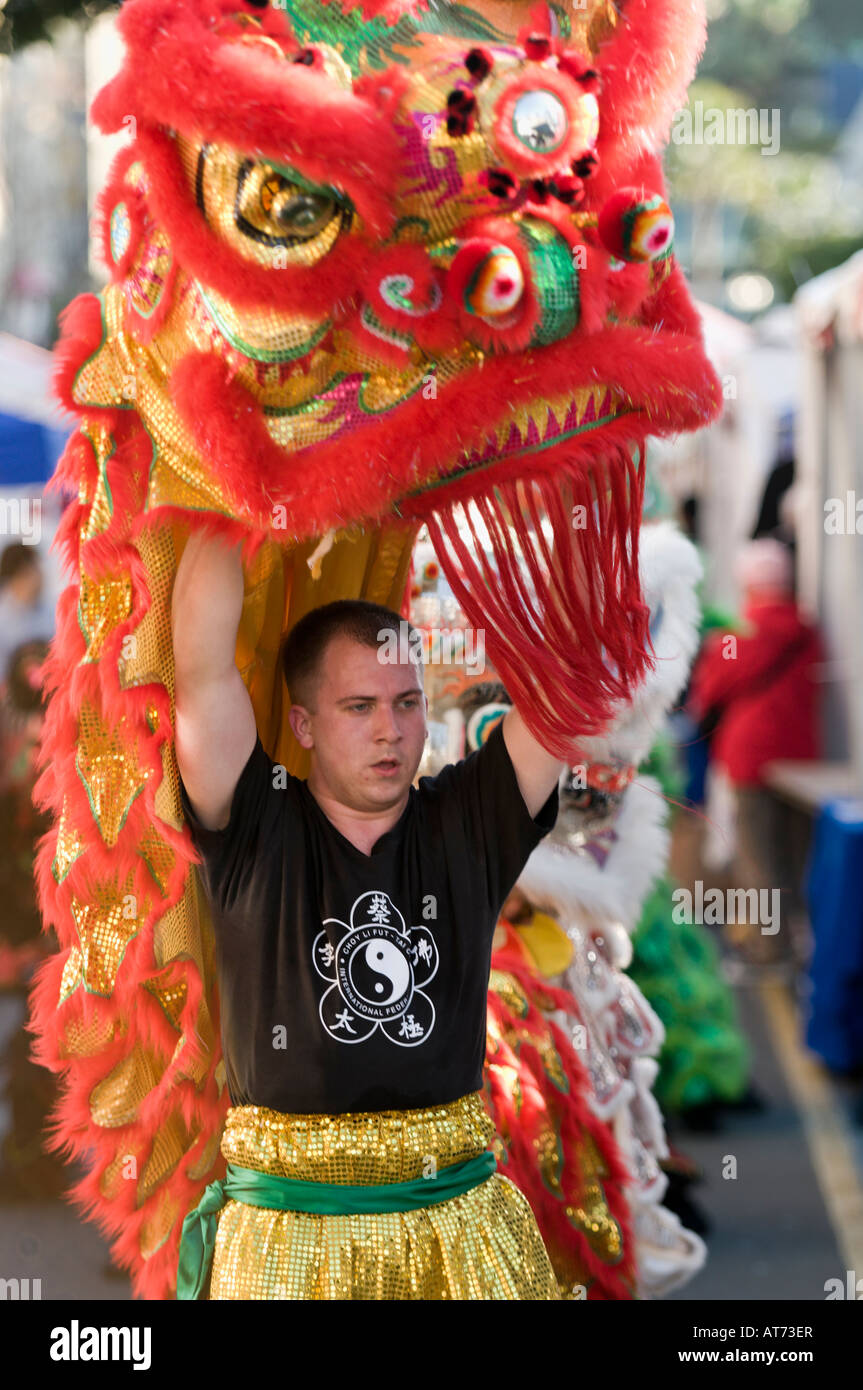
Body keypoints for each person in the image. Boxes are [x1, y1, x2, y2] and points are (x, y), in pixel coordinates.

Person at [170, 530, 565, 1300]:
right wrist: (233, 491)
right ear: (304, 725)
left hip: (458, 1232)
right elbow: (200, 665)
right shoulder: (256, 820)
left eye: (405, 703)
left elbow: (563, 695)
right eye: (359, 707)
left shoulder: (469, 820)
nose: (390, 730)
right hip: (285, 1244)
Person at [687, 538, 823, 973]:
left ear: (747, 582)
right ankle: (798, 946)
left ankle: (768, 954)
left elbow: (715, 682)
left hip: (750, 757)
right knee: (795, 858)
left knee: (758, 860)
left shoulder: (741, 630)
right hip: (800, 758)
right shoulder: (803, 627)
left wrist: (716, 650)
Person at [0, 543, 53, 683]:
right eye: (33, 569)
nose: (40, 576)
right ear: (17, 577)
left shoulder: (50, 612)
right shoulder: (3, 619)